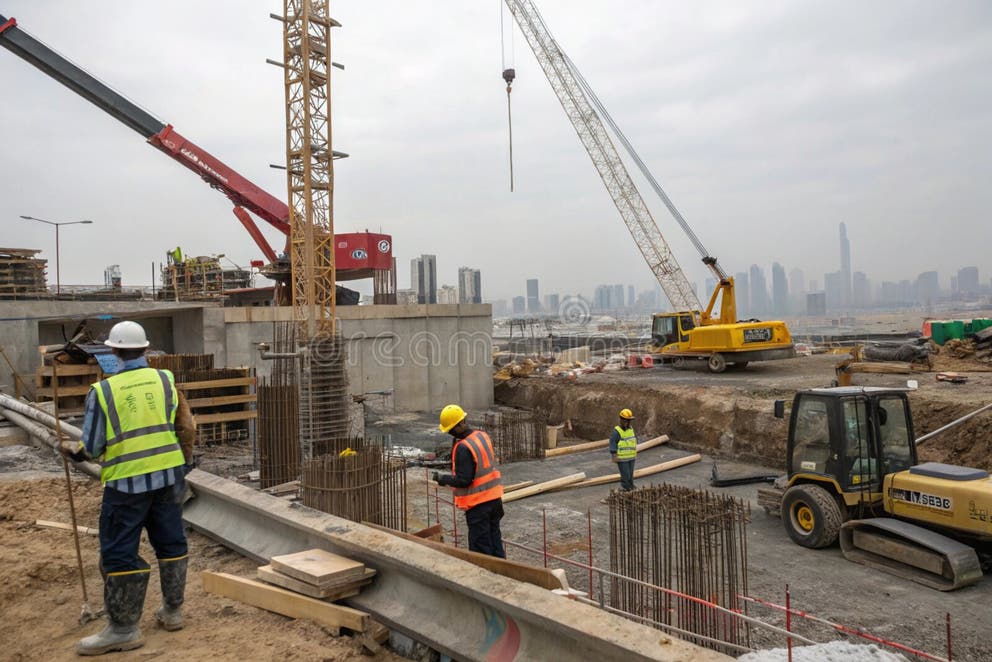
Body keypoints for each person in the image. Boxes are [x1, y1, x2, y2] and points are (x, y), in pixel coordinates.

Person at [59, 320, 195, 656]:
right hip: (168, 477)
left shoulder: (103, 391)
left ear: (113, 351)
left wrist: (71, 450)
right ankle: (173, 612)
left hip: (126, 484)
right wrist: (183, 463)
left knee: (119, 551)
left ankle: (123, 629)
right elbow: (187, 428)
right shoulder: (165, 380)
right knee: (171, 541)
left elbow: (90, 447)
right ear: (146, 349)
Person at [432, 404, 505, 558]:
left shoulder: (463, 447)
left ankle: (486, 579)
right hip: (494, 500)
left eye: (451, 429)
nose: (451, 434)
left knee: (482, 551)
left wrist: (442, 479)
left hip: (479, 505)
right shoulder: (481, 436)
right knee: (495, 542)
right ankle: (503, 575)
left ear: (459, 426)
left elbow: (464, 480)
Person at [609, 408, 637, 491]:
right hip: (622, 458)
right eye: (626, 421)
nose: (627, 423)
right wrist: (614, 455)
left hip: (631, 457)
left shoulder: (631, 429)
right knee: (625, 474)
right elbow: (612, 443)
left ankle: (631, 486)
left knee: (630, 474)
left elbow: (633, 440)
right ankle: (625, 487)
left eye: (629, 421)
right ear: (621, 420)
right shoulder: (616, 432)